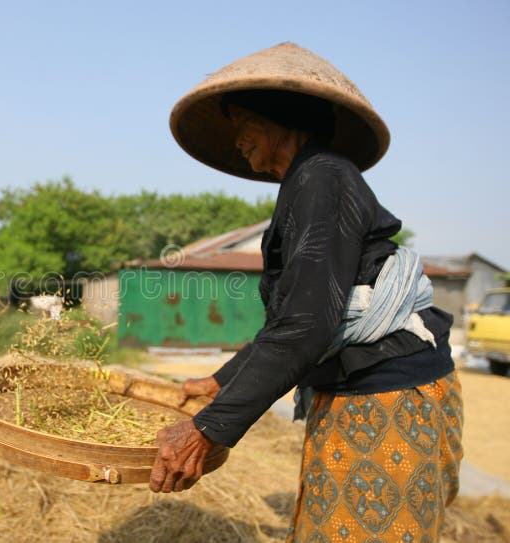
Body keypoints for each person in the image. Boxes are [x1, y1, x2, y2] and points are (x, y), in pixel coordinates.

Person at [150, 42, 463, 542]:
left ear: (280, 116)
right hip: (364, 392)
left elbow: (308, 324)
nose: (237, 143)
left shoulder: (321, 178)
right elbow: (301, 311)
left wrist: (208, 428)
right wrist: (222, 381)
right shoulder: (311, 181)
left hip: (386, 398)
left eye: (242, 126)